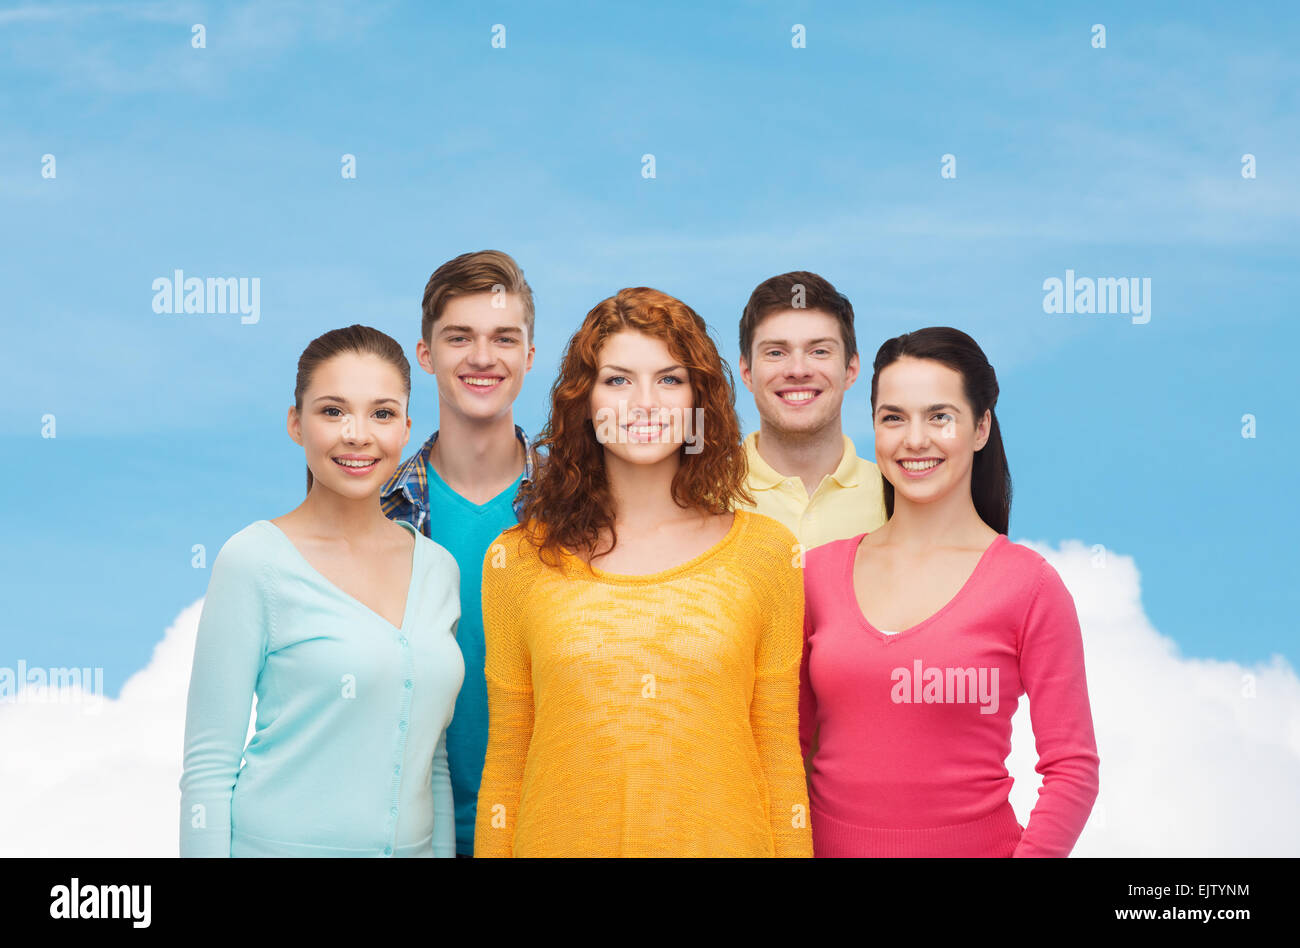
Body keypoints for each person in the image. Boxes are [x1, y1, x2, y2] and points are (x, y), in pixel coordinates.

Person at [474, 287, 812, 857]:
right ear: (584, 401)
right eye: (618, 380)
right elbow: (508, 759)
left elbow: (778, 758)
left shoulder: (768, 554)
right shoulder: (517, 561)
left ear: (699, 401)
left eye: (670, 380)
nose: (644, 404)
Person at [799, 327, 1100, 857]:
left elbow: (1073, 769)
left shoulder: (1029, 586)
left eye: (940, 416)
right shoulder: (817, 577)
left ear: (981, 427)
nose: (915, 440)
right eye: (893, 417)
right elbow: (784, 747)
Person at [180, 325, 464, 857]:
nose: (357, 434)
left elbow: (434, 760)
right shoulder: (254, 561)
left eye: (381, 413)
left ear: (406, 428)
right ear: (296, 423)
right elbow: (208, 768)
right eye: (333, 411)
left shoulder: (438, 571)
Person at [380, 250, 538, 859]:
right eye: (458, 337)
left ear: (527, 356)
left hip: (546, 832)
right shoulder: (377, 510)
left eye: (504, 338)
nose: (481, 357)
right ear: (425, 354)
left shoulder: (582, 515)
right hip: (405, 838)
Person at [735, 270, 887, 550]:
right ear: (746, 373)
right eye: (776, 352)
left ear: (851, 370)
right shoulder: (700, 496)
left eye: (819, 351)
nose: (798, 370)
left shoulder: (897, 497)